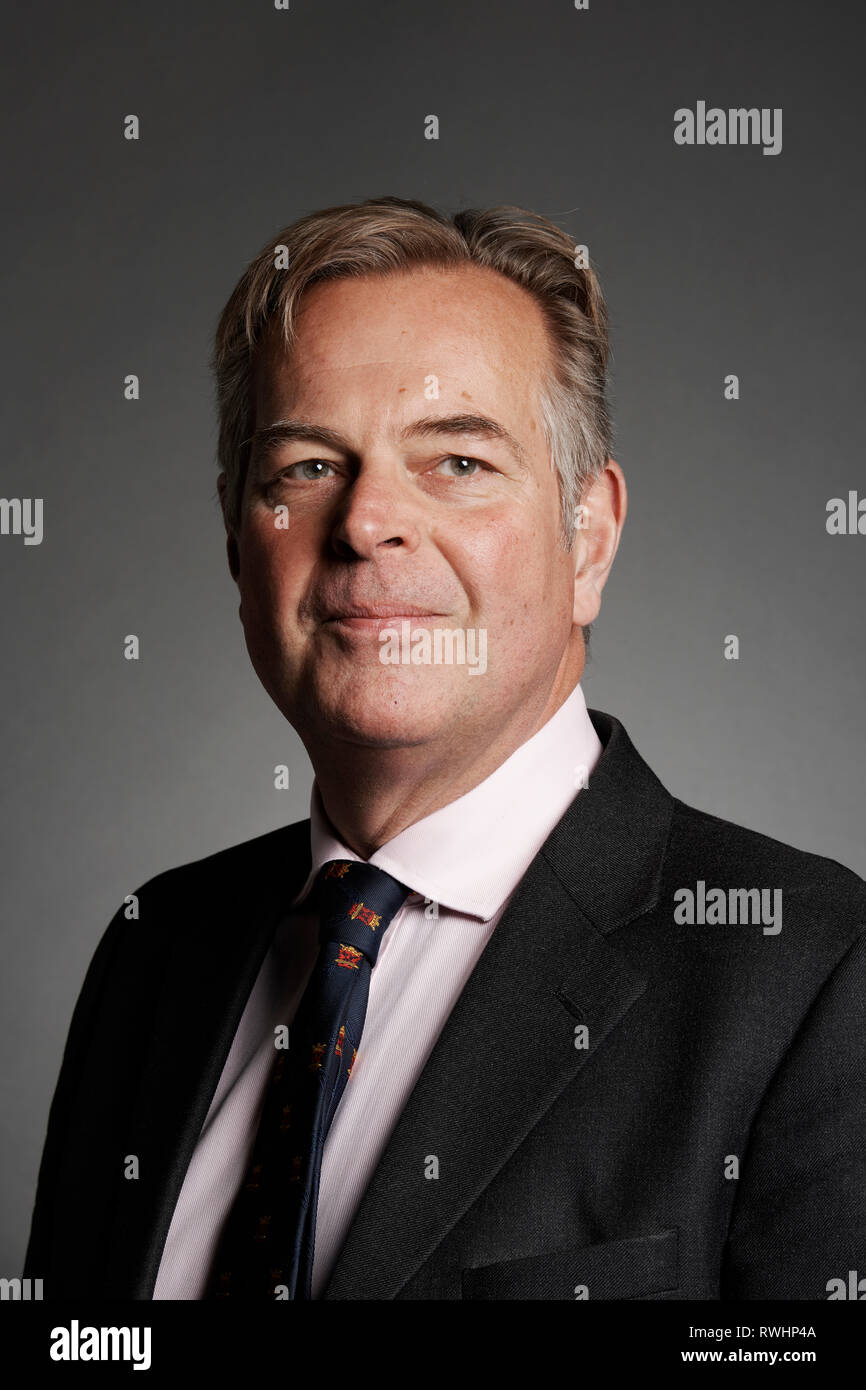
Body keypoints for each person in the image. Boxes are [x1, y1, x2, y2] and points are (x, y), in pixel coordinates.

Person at [24, 197, 866, 1300]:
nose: (365, 520)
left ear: (588, 537)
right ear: (237, 543)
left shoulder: (814, 976)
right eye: (307, 467)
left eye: (459, 461)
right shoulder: (156, 950)